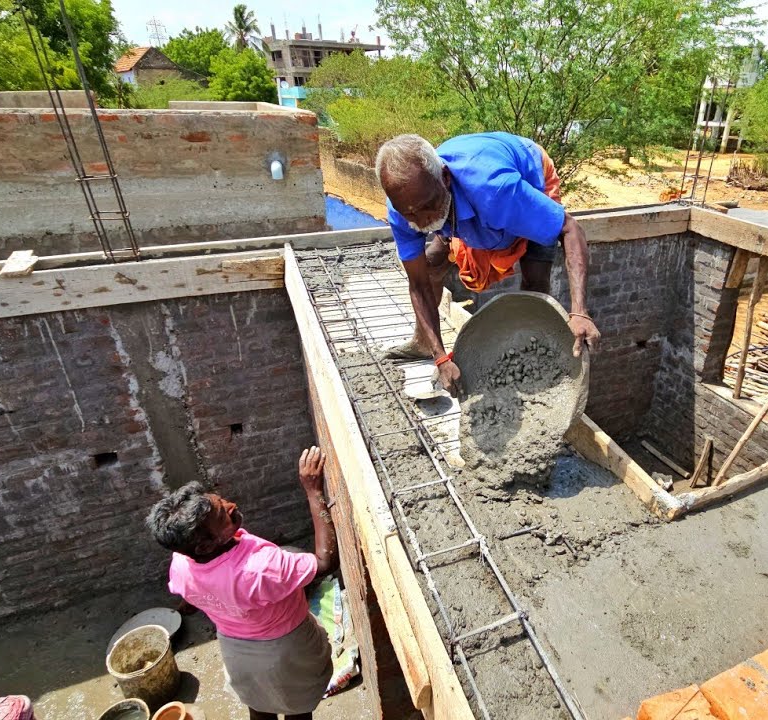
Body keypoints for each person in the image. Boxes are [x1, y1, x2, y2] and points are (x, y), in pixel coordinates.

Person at [376, 132, 603, 396]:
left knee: (535, 283)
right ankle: (424, 342)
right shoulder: (407, 206)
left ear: (445, 178)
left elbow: (569, 229)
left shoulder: (495, 190)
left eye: (428, 207)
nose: (423, 221)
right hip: (467, 203)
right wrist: (441, 358)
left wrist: (579, 312)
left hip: (529, 174)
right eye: (410, 214)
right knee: (430, 267)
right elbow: (418, 284)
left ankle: (532, 363)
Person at [146, 447, 338, 720]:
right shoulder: (259, 569)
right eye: (222, 515)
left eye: (220, 501)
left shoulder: (181, 563)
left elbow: (188, 595)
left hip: (237, 651)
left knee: (259, 708)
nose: (230, 506)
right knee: (297, 709)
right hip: (284, 652)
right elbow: (325, 563)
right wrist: (313, 490)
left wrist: (190, 604)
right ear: (205, 545)